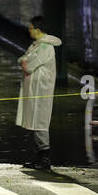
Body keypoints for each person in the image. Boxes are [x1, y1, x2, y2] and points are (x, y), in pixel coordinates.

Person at [16, 15, 62, 169]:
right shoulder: (36, 45)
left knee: (40, 123)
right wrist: (24, 61)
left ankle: (45, 159)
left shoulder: (44, 47)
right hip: (33, 90)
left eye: (31, 28)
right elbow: (25, 60)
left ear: (38, 29)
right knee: (34, 123)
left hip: (41, 91)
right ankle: (38, 156)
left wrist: (24, 61)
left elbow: (28, 64)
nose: (29, 31)